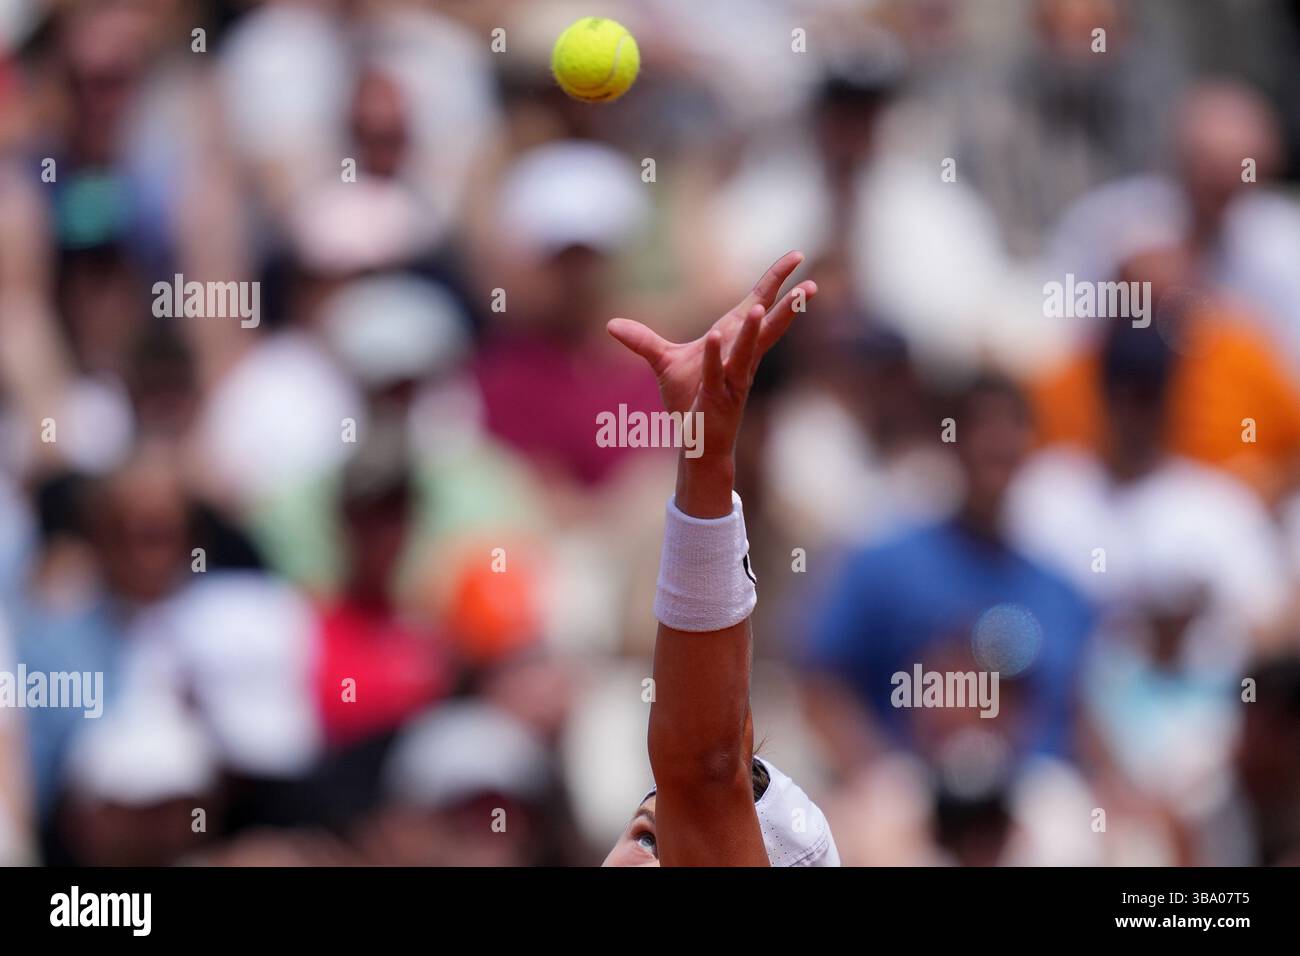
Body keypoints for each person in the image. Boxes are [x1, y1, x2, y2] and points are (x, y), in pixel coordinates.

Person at [601, 251, 839, 867]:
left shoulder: (809, 527)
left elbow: (707, 766)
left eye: (661, 839)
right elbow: (700, 761)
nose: (649, 855)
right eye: (645, 833)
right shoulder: (635, 505)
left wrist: (706, 461)